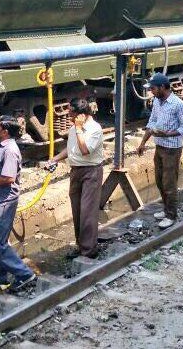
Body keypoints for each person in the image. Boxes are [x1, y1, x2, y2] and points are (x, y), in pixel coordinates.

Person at [0, 116, 38, 293]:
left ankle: (25, 275)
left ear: (4, 131)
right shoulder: (2, 147)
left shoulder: (10, 150)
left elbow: (8, 178)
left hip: (3, 201)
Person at [47, 98, 104, 258]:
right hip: (76, 171)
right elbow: (71, 148)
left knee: (88, 211)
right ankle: (81, 245)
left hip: (91, 171)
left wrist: (79, 129)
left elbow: (85, 150)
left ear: (82, 115)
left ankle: (89, 250)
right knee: (77, 209)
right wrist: (55, 158)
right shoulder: (74, 128)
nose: (70, 117)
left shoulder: (94, 129)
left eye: (72, 114)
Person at [137, 73, 183, 229]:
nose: (151, 92)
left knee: (169, 183)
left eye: (153, 89)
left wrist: (169, 134)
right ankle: (166, 209)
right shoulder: (157, 101)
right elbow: (152, 121)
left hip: (172, 148)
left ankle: (171, 215)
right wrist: (143, 142)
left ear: (162, 87)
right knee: (160, 181)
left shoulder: (177, 104)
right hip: (159, 146)